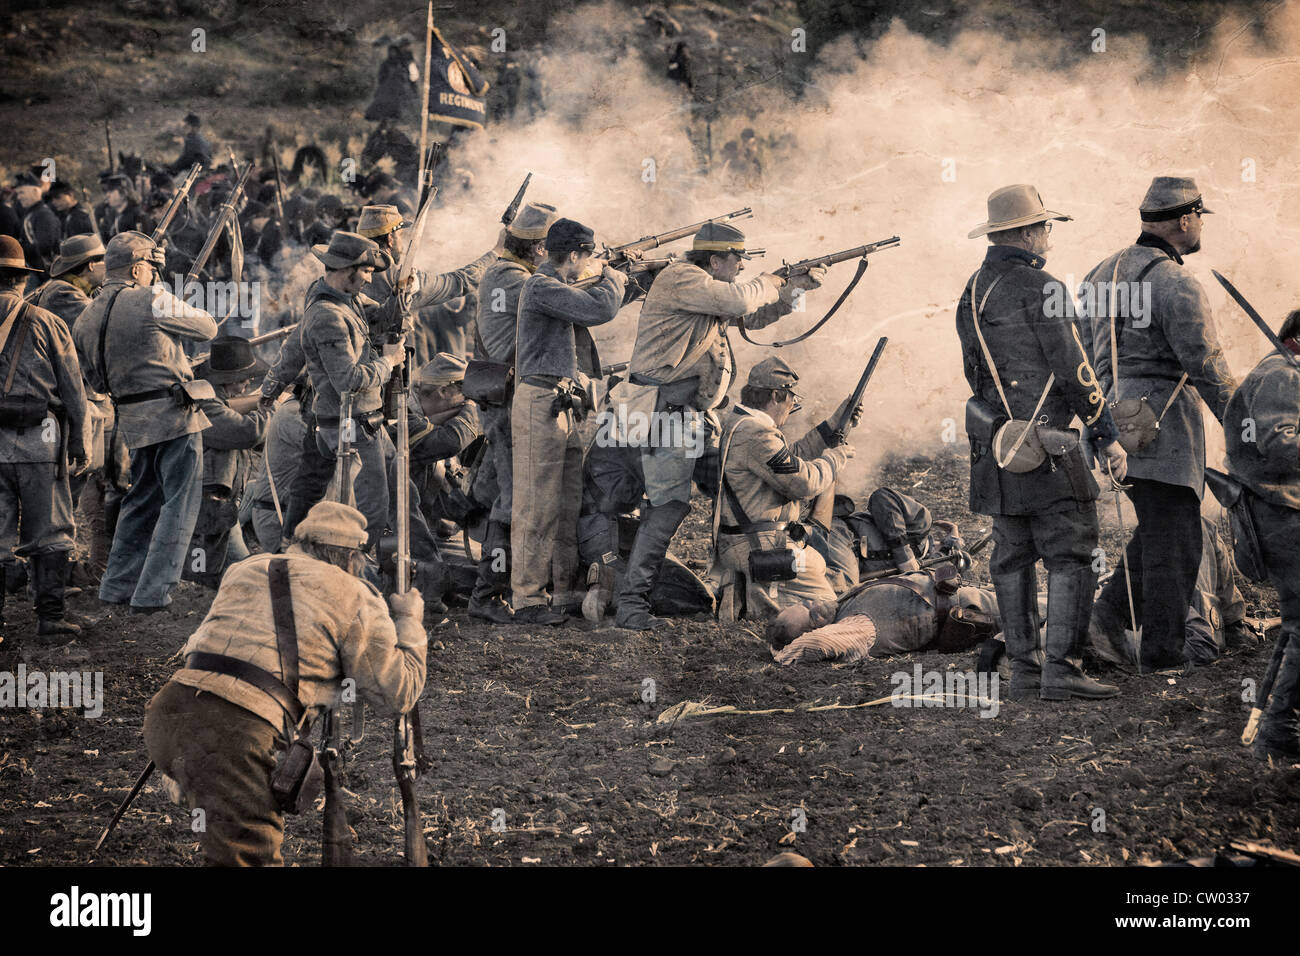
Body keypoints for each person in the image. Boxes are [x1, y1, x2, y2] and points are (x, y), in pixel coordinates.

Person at [143, 501, 426, 866]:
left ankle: (197, 772)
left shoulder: (246, 568)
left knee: (224, 827)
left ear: (302, 543)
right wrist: (409, 622)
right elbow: (397, 693)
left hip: (168, 714)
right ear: (353, 559)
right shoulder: (354, 593)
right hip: (237, 735)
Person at [957, 184, 1127, 701]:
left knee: (1011, 558)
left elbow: (975, 374)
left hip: (1000, 447)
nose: (1048, 236)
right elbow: (1076, 371)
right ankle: (1063, 670)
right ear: (1029, 232)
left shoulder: (971, 290)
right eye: (1045, 226)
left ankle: (1025, 673)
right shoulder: (1042, 287)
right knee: (1071, 556)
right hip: (1051, 450)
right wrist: (1105, 434)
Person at [612, 221, 824, 630]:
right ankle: (632, 605)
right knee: (666, 510)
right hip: (664, 416)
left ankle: (737, 591)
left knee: (732, 486)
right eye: (737, 258)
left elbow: (755, 317)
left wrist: (797, 288)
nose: (743, 266)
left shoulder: (707, 289)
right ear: (714, 259)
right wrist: (773, 279)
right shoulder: (683, 277)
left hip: (692, 416)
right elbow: (742, 302)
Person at [1082, 177, 1237, 671]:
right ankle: (1164, 657)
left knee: (1158, 531)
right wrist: (1245, 429)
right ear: (1186, 219)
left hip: (1111, 419)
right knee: (1177, 542)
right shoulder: (1177, 282)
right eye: (1199, 219)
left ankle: (1103, 622)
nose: (1199, 228)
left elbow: (1082, 356)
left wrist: (1099, 418)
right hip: (1164, 429)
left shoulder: (1098, 273)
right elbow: (1207, 366)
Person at [72, 231, 218, 612]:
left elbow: (96, 381)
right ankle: (153, 594)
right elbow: (207, 328)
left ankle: (116, 586)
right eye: (152, 269)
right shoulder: (153, 298)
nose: (154, 275)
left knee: (140, 501)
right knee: (179, 506)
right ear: (137, 268)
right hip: (174, 417)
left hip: (131, 420)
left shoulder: (85, 316)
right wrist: (170, 300)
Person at [510, 218, 626, 624]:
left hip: (562, 403)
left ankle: (562, 594)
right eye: (589, 256)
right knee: (536, 507)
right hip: (539, 400)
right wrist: (614, 274)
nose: (591, 262)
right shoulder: (540, 286)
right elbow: (601, 308)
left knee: (565, 505)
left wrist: (623, 276)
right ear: (574, 254)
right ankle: (526, 600)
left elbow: (595, 301)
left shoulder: (556, 288)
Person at [468, 201, 558, 622]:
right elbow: (561, 303)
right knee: (513, 500)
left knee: (511, 497)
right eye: (552, 249)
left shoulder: (506, 275)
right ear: (539, 250)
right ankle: (487, 596)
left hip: (504, 400)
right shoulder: (512, 278)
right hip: (507, 402)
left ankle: (493, 591)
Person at [711, 357, 853, 620]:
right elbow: (803, 483)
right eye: (790, 398)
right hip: (764, 548)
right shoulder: (757, 434)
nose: (792, 406)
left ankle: (749, 595)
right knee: (835, 611)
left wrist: (832, 426)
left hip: (748, 542)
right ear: (776, 395)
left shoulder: (740, 424)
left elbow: (788, 459)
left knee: (824, 567)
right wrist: (835, 459)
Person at [0, 236, 89, 640]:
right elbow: (74, 390)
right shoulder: (47, 322)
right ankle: (50, 619)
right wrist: (81, 442)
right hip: (41, 442)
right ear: (20, 280)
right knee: (50, 530)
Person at [295, 231, 407, 552]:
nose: (370, 280)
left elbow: (381, 318)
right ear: (347, 270)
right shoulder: (327, 316)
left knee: (401, 493)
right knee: (370, 514)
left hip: (365, 422)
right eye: (367, 272)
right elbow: (348, 379)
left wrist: (402, 297)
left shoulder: (348, 298)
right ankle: (353, 576)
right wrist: (388, 362)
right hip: (349, 426)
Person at [1224, 309, 1300, 760]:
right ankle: (1277, 729)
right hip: (1281, 519)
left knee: (1296, 624)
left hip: (1283, 514)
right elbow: (1280, 442)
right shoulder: (1281, 375)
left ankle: (1270, 722)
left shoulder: (1286, 371)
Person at [184, 337, 272, 589]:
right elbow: (247, 432)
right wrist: (270, 409)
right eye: (245, 379)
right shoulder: (206, 404)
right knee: (236, 572)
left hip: (219, 500)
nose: (248, 384)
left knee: (230, 567)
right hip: (206, 502)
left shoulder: (214, 398)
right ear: (229, 379)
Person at [13, 172, 61, 279]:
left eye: (22, 193)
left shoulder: (43, 214)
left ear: (35, 191)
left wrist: (17, 249)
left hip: (45, 275)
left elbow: (44, 247)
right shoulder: (31, 214)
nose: (19, 197)